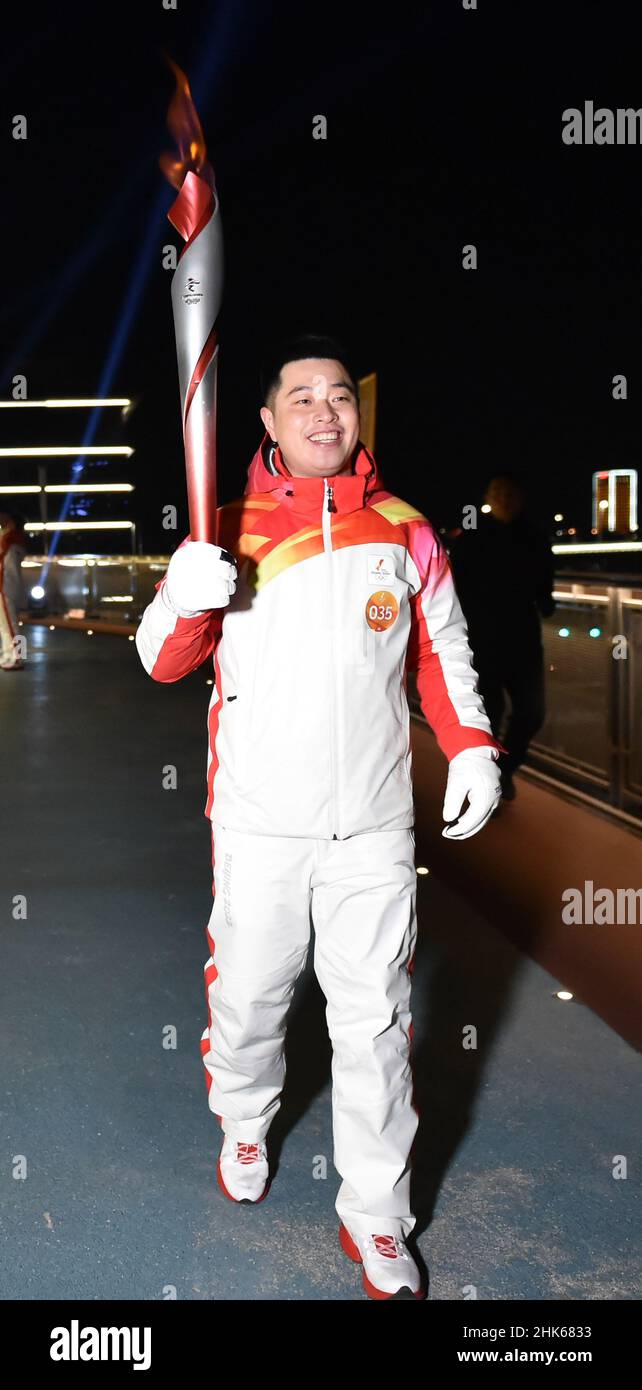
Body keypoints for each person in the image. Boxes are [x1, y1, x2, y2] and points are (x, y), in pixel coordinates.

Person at [135, 333, 503, 1300]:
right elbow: (163, 661)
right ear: (266, 420)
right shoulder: (225, 527)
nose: (324, 412)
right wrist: (185, 591)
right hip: (259, 822)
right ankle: (246, 1115)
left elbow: (442, 652)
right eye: (301, 398)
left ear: (356, 414)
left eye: (338, 396)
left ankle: (378, 1218)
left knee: (375, 1025)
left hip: (375, 826)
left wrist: (470, 747)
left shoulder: (408, 531)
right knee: (251, 1001)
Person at [450, 474, 556, 801]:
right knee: (492, 714)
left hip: (521, 639)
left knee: (532, 712)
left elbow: (544, 586)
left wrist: (545, 600)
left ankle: (502, 771)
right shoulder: (473, 538)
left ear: (520, 498)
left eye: (510, 494)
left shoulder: (534, 536)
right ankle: (491, 785)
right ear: (489, 498)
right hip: (485, 640)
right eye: (499, 494)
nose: (505, 499)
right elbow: (457, 589)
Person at [0, 510, 27, 671]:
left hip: (5, 586)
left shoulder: (10, 539)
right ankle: (9, 655)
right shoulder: (13, 539)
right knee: (6, 625)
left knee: (10, 625)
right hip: (8, 585)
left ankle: (17, 657)